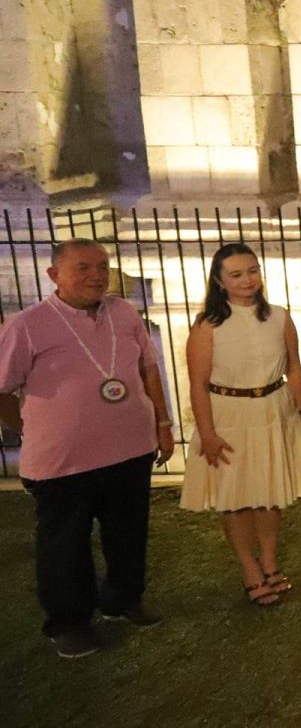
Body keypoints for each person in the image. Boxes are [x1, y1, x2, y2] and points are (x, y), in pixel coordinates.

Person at [0, 240, 175, 658]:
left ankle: (123, 598)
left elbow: (148, 368)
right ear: (54, 275)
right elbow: (2, 388)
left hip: (130, 449)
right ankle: (69, 622)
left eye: (102, 266)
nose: (97, 275)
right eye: (83, 267)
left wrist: (162, 423)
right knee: (65, 543)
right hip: (63, 462)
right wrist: (28, 428)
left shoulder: (123, 312)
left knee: (128, 533)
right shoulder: (28, 325)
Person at [180, 243, 301, 606]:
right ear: (219, 281)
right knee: (235, 497)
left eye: (252, 271)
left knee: (269, 493)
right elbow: (197, 384)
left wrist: (300, 411)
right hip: (228, 416)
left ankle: (270, 561)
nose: (247, 280)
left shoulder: (279, 316)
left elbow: (294, 368)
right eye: (236, 274)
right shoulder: (208, 325)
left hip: (273, 411)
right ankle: (249, 567)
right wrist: (207, 433)